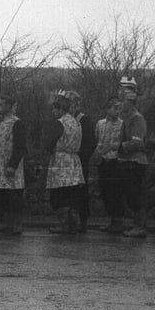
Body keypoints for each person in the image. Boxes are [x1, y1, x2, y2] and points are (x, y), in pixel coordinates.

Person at [44, 91, 85, 234]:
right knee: (71, 193)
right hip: (74, 161)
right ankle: (75, 222)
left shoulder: (60, 123)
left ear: (61, 109)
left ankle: (64, 224)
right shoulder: (77, 122)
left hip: (61, 161)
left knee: (59, 194)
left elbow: (49, 143)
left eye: (55, 108)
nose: (53, 111)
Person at [0, 95, 27, 234]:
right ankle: (4, 222)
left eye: (1, 104)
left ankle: (16, 223)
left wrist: (12, 165)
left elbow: (20, 146)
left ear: (9, 106)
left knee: (13, 196)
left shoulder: (17, 123)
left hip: (9, 166)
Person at [116, 77, 149, 238]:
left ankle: (140, 226)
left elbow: (137, 142)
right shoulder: (128, 119)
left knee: (135, 195)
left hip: (135, 162)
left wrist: (120, 146)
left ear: (130, 101)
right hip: (128, 162)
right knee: (131, 195)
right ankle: (137, 225)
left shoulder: (137, 119)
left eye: (123, 102)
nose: (121, 106)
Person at [94, 97, 124, 234]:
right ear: (108, 109)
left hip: (115, 161)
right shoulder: (100, 123)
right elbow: (97, 138)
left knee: (115, 192)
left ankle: (118, 221)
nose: (117, 111)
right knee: (105, 191)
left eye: (119, 108)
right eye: (115, 108)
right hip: (103, 161)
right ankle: (112, 219)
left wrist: (112, 147)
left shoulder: (122, 124)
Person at [67, 91, 95, 232]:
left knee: (81, 191)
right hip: (67, 162)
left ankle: (82, 221)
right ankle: (69, 221)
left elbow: (90, 143)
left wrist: (81, 157)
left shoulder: (84, 120)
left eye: (72, 104)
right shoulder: (64, 120)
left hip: (80, 161)